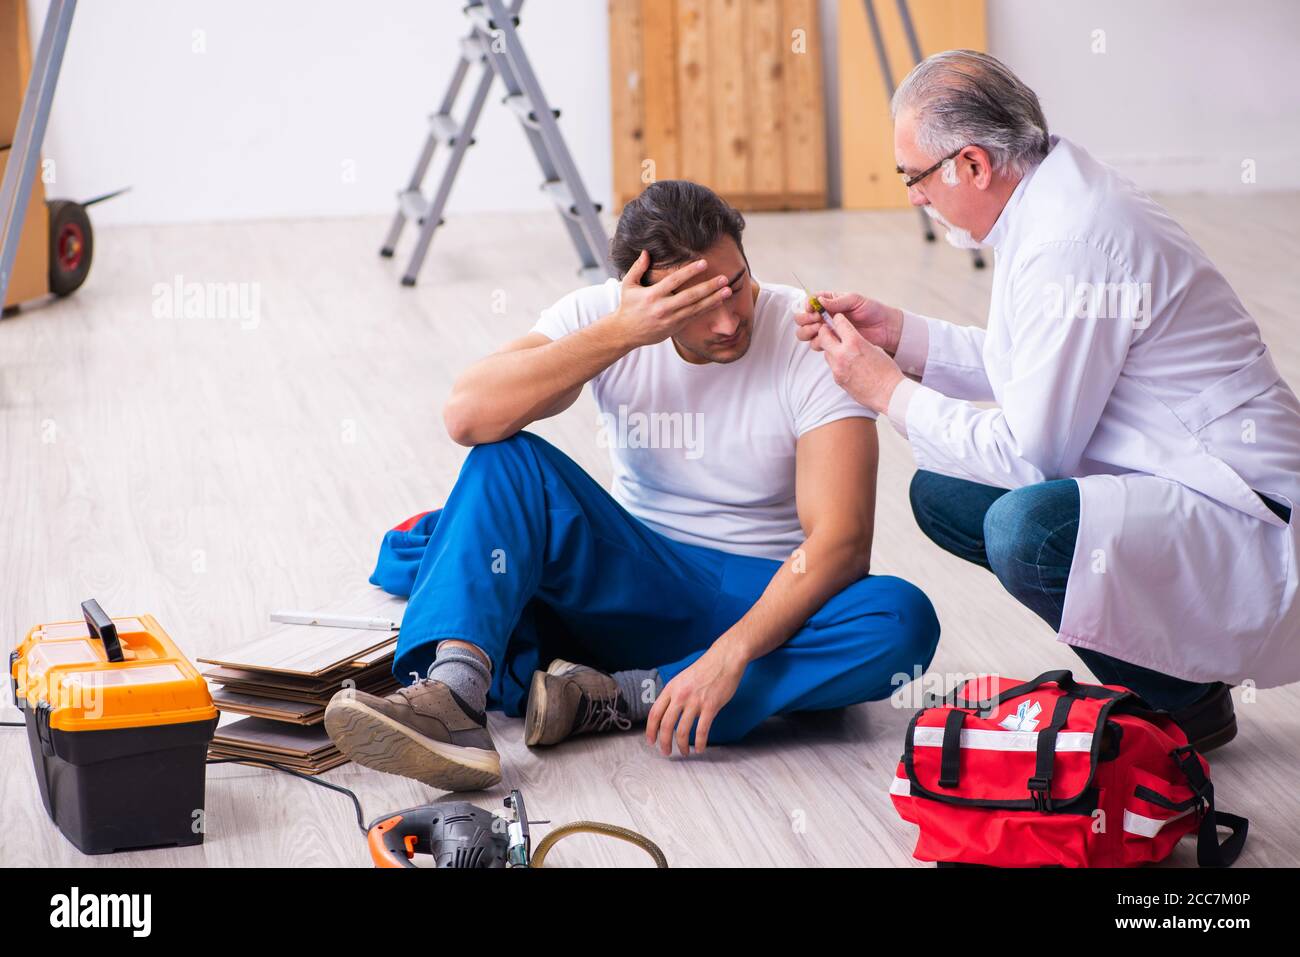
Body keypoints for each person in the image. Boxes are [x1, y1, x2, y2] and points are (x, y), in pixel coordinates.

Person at [324, 180, 939, 791]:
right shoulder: (606, 318)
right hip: (631, 573)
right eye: (694, 306)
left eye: (735, 287)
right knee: (504, 463)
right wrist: (621, 335)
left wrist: (730, 656)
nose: (728, 321)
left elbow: (841, 541)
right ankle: (452, 702)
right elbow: (467, 415)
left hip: (756, 593)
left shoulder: (809, 337)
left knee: (899, 618)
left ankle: (628, 694)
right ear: (643, 296)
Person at [797, 50, 1300, 752]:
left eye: (913, 176)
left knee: (1022, 528)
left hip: (1251, 508)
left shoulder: (1071, 239)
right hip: (1170, 469)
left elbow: (1033, 456)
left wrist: (884, 388)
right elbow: (1026, 365)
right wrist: (902, 335)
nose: (913, 195)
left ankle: (1179, 701)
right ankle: (1175, 689)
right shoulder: (1045, 197)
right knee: (943, 491)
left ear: (972, 164)